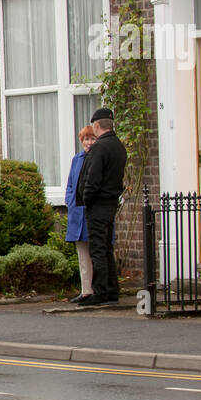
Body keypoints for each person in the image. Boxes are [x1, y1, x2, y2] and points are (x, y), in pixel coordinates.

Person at [75, 107, 127, 306]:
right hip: (111, 202)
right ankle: (112, 289)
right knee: (106, 247)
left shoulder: (100, 147)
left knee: (97, 248)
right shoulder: (118, 146)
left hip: (98, 204)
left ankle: (101, 291)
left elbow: (92, 178)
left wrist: (87, 199)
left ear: (96, 126)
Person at [64, 125, 97, 302]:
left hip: (92, 213)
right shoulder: (76, 159)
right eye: (86, 139)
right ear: (81, 141)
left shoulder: (97, 159)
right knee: (83, 255)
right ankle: (86, 291)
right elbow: (70, 183)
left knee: (96, 254)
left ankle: (96, 289)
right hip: (77, 213)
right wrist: (69, 201)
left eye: (92, 139)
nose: (89, 142)